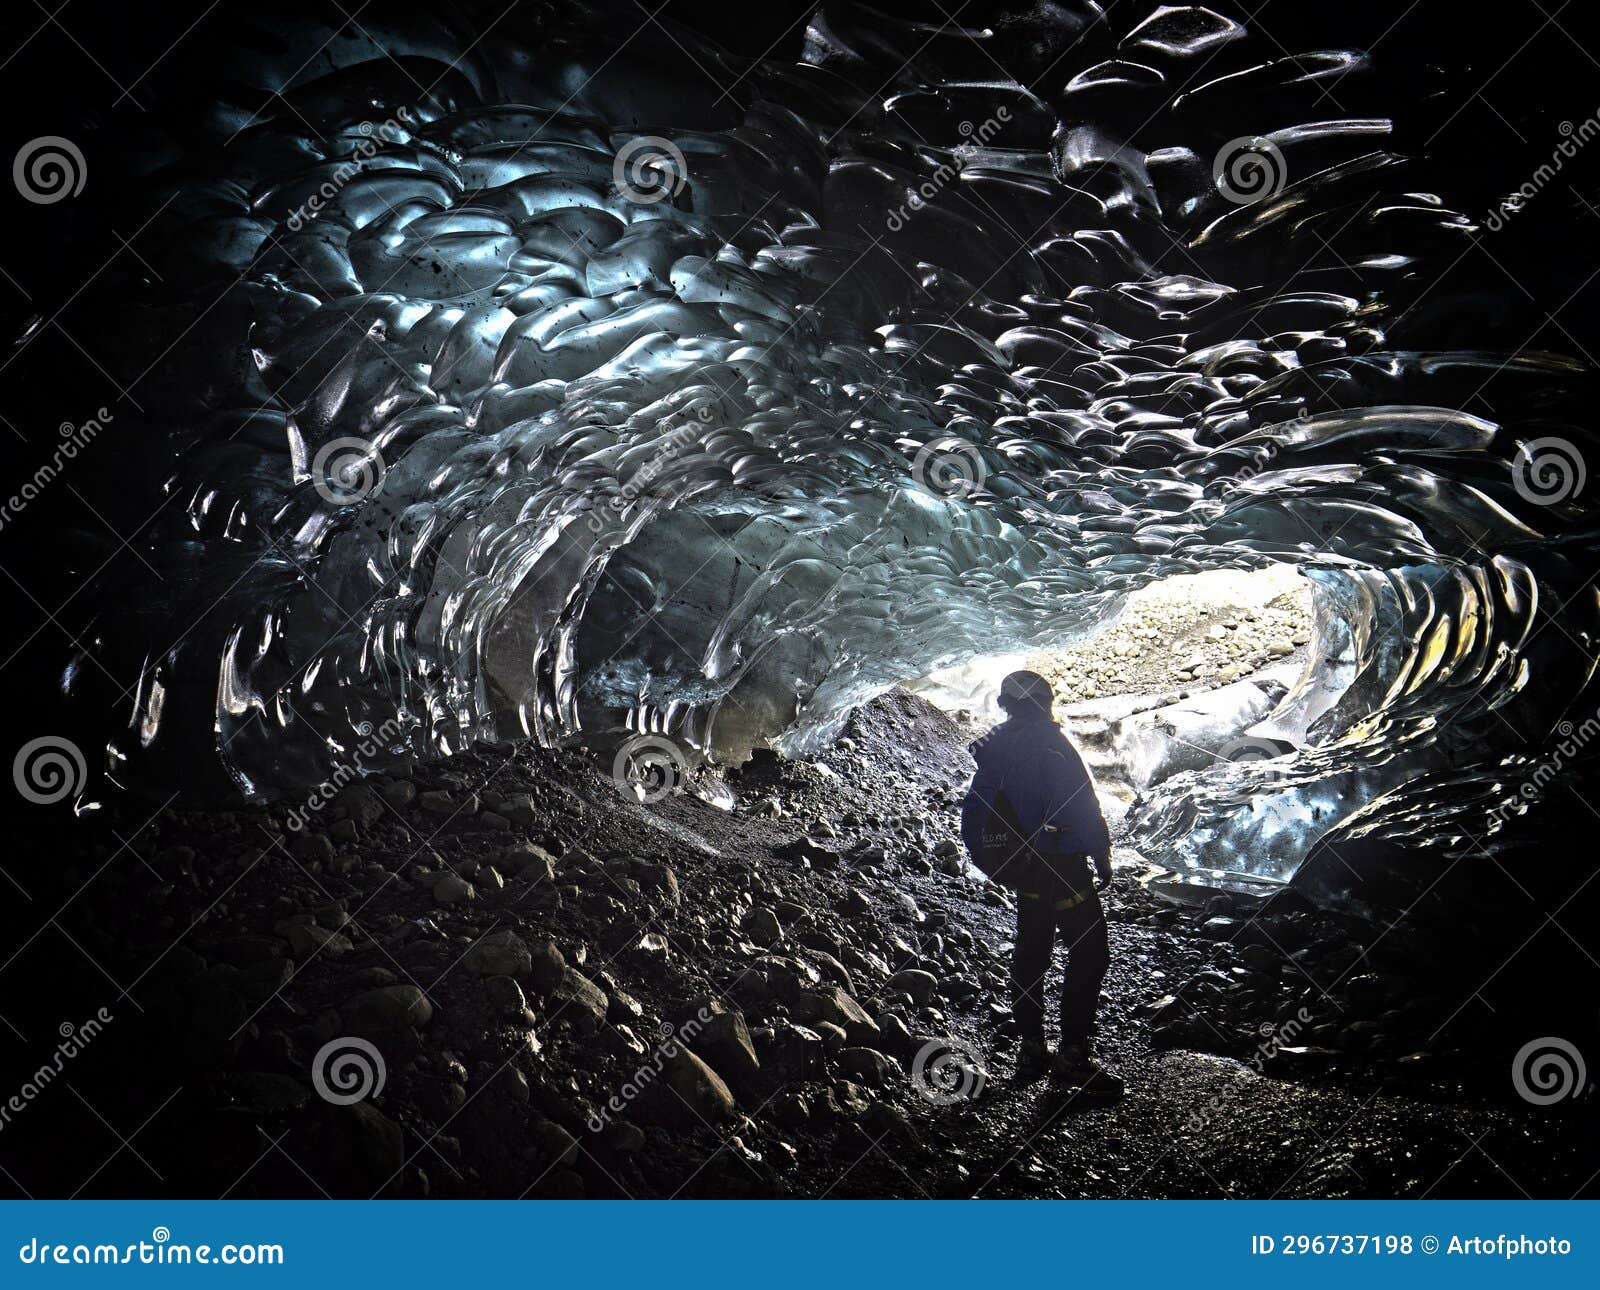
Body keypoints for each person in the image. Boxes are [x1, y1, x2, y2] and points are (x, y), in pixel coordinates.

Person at [960, 670, 1122, 1096]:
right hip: (1061, 865)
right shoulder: (1052, 742)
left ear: (1006, 704)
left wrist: (998, 865)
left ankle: (1032, 1048)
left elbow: (978, 810)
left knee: (1032, 954)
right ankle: (1072, 1059)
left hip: (1024, 868)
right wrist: (1100, 853)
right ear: (1046, 700)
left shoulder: (995, 746)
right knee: (1090, 953)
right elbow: (1081, 804)